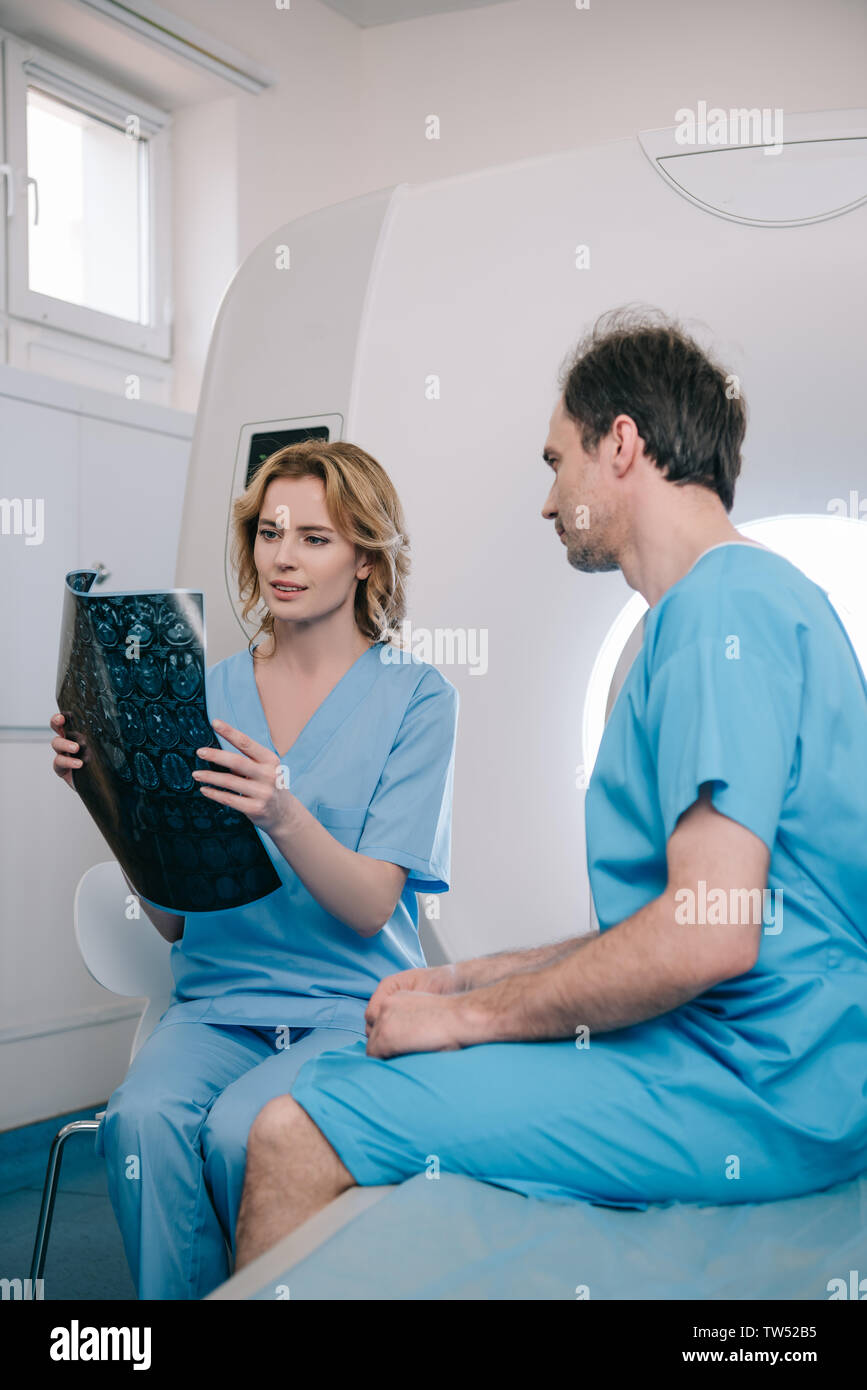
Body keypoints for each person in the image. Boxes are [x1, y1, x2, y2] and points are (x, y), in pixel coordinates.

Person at [232, 308, 867, 1271]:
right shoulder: (760, 604)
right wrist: (466, 976)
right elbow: (694, 911)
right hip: (790, 1064)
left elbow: (706, 932)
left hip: (752, 1085)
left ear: (621, 445)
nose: (546, 499)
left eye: (553, 459)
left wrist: (463, 1020)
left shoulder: (717, 614)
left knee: (291, 1126)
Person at [50, 440, 459, 1299]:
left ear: (365, 556)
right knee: (138, 1121)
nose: (282, 555)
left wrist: (281, 809)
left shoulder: (417, 698)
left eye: (314, 536)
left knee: (246, 1131)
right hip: (217, 1004)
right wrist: (107, 793)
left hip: (351, 1007)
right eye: (270, 532)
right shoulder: (198, 692)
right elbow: (172, 919)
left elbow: (368, 906)